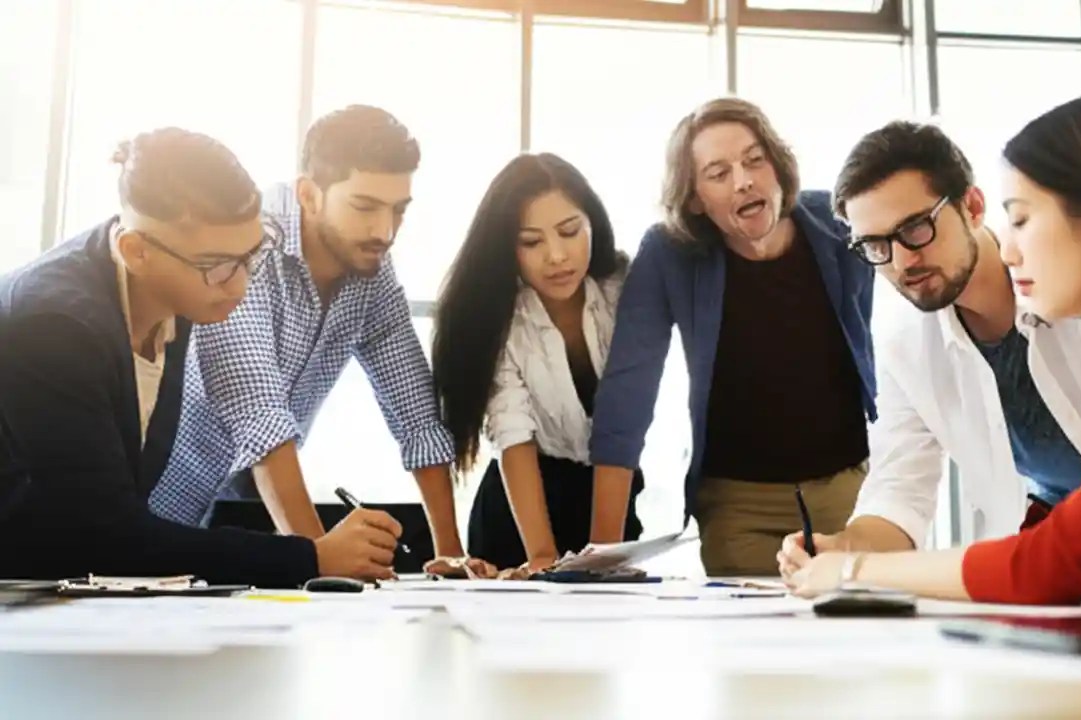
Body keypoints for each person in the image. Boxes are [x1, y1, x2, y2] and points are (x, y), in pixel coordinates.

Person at [782, 91, 1081, 605]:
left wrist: (855, 570)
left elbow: (1061, 558)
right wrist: (845, 552)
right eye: (874, 247)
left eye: (1020, 220)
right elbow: (910, 489)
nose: (1011, 247)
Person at [0, 128, 402, 585]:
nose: (240, 284)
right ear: (136, 251)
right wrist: (310, 557)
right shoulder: (53, 326)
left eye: (252, 255)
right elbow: (109, 537)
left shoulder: (181, 295)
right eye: (217, 265)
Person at [148, 105, 494, 578]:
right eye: (365, 206)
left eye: (398, 210)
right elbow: (259, 413)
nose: (385, 231)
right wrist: (320, 562)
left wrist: (450, 554)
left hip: (246, 507)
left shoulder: (370, 270)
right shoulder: (248, 244)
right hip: (159, 495)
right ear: (309, 195)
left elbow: (416, 415)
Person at [777, 121, 1081, 565]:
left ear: (973, 205)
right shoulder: (904, 341)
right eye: (875, 245)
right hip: (1063, 558)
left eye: (914, 228)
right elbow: (899, 493)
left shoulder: (1069, 285)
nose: (902, 261)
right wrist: (844, 550)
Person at [589, 97, 878, 576]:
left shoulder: (838, 225)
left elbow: (884, 331)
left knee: (863, 638)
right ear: (696, 197)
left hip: (846, 488)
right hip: (738, 507)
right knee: (751, 646)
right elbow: (627, 396)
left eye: (753, 160)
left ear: (777, 165)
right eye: (718, 173)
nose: (743, 180)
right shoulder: (668, 252)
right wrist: (600, 553)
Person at [433, 153, 642, 574]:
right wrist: (541, 556)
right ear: (507, 248)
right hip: (520, 510)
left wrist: (603, 550)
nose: (557, 256)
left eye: (570, 232)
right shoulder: (498, 316)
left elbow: (626, 420)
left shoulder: (623, 287)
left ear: (592, 224)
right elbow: (514, 435)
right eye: (532, 242)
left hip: (612, 494)